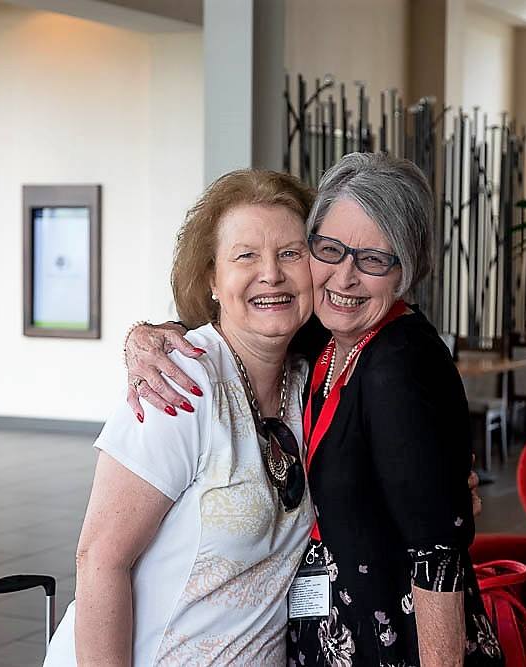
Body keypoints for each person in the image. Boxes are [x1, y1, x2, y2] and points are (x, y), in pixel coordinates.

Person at [124, 153, 503, 666]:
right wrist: (146, 337)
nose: (345, 277)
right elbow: (244, 310)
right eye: (329, 249)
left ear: (406, 271)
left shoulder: (400, 362)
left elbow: (438, 556)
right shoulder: (321, 344)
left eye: (375, 259)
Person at [42, 169, 317, 666]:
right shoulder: (179, 381)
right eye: (245, 255)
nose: (271, 273)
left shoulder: (310, 384)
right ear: (212, 278)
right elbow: (100, 559)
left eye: (291, 253)